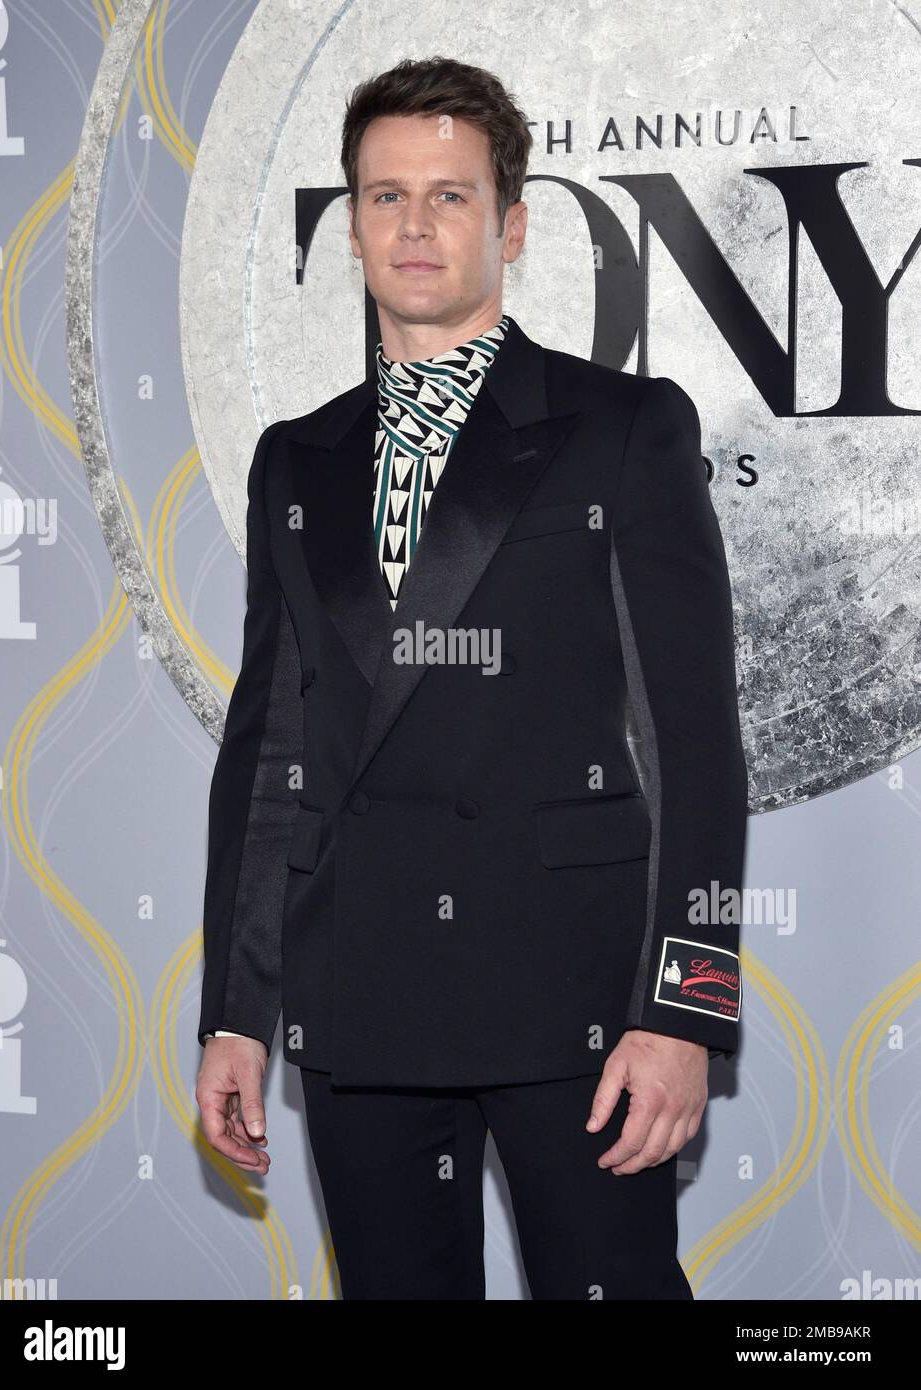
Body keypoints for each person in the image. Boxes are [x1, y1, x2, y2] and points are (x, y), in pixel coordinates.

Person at [195, 55, 749, 1301]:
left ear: (508, 222)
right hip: (361, 992)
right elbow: (271, 748)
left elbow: (694, 745)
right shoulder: (297, 460)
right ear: (351, 227)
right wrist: (234, 1009)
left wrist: (684, 1012)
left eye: (448, 196)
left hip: (580, 997)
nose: (414, 224)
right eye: (384, 196)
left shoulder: (622, 426)